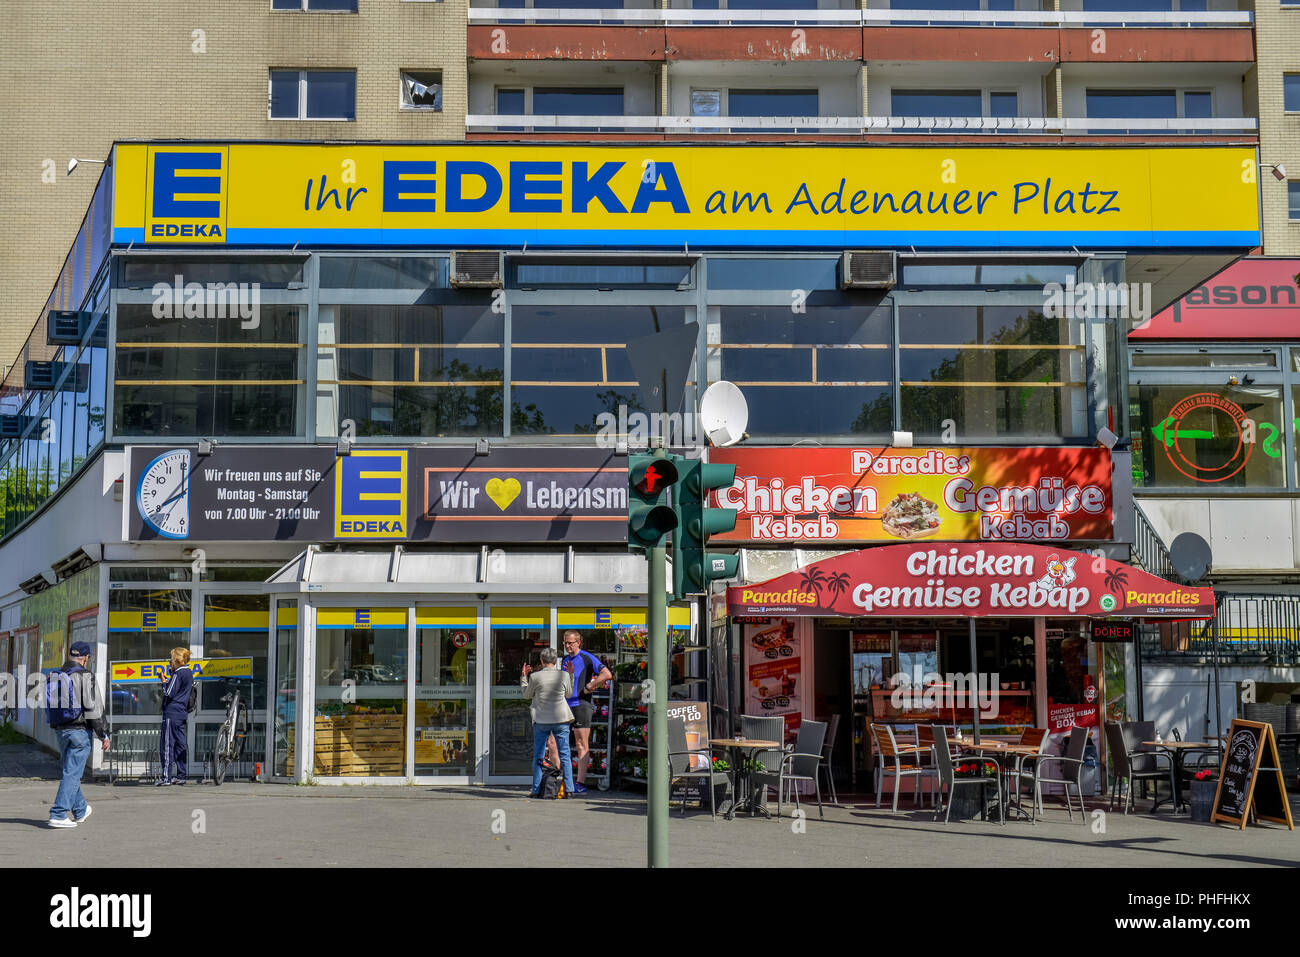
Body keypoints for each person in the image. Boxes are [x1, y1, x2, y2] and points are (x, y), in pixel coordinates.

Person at [47, 641, 110, 828]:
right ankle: (58, 814)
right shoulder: (85, 676)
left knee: (70, 771)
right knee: (72, 774)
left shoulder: (57, 675)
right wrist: (103, 734)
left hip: (61, 730)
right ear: (85, 658)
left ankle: (80, 809)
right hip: (79, 732)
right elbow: (93, 707)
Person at [561, 630, 613, 794]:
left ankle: (580, 783)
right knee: (560, 743)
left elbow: (607, 674)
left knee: (581, 744)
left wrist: (592, 685)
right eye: (565, 643)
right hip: (565, 705)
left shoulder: (586, 657)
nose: (568, 646)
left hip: (582, 704)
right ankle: (564, 780)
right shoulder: (564, 659)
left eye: (571, 643)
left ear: (579, 642)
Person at [521, 647, 574, 798]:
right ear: (555, 660)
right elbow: (569, 694)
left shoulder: (535, 677)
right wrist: (571, 675)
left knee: (538, 755)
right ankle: (569, 788)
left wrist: (524, 677)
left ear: (542, 661)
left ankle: (536, 789)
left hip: (542, 719)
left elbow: (527, 695)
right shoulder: (563, 675)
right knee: (565, 754)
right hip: (561, 719)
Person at [157, 647, 194, 786]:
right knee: (180, 745)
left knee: (167, 745)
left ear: (176, 660)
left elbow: (169, 693)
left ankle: (166, 777)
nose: (170, 662)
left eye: (171, 659)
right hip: (181, 713)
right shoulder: (189, 673)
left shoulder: (178, 673)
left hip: (171, 712)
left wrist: (163, 682)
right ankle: (181, 775)